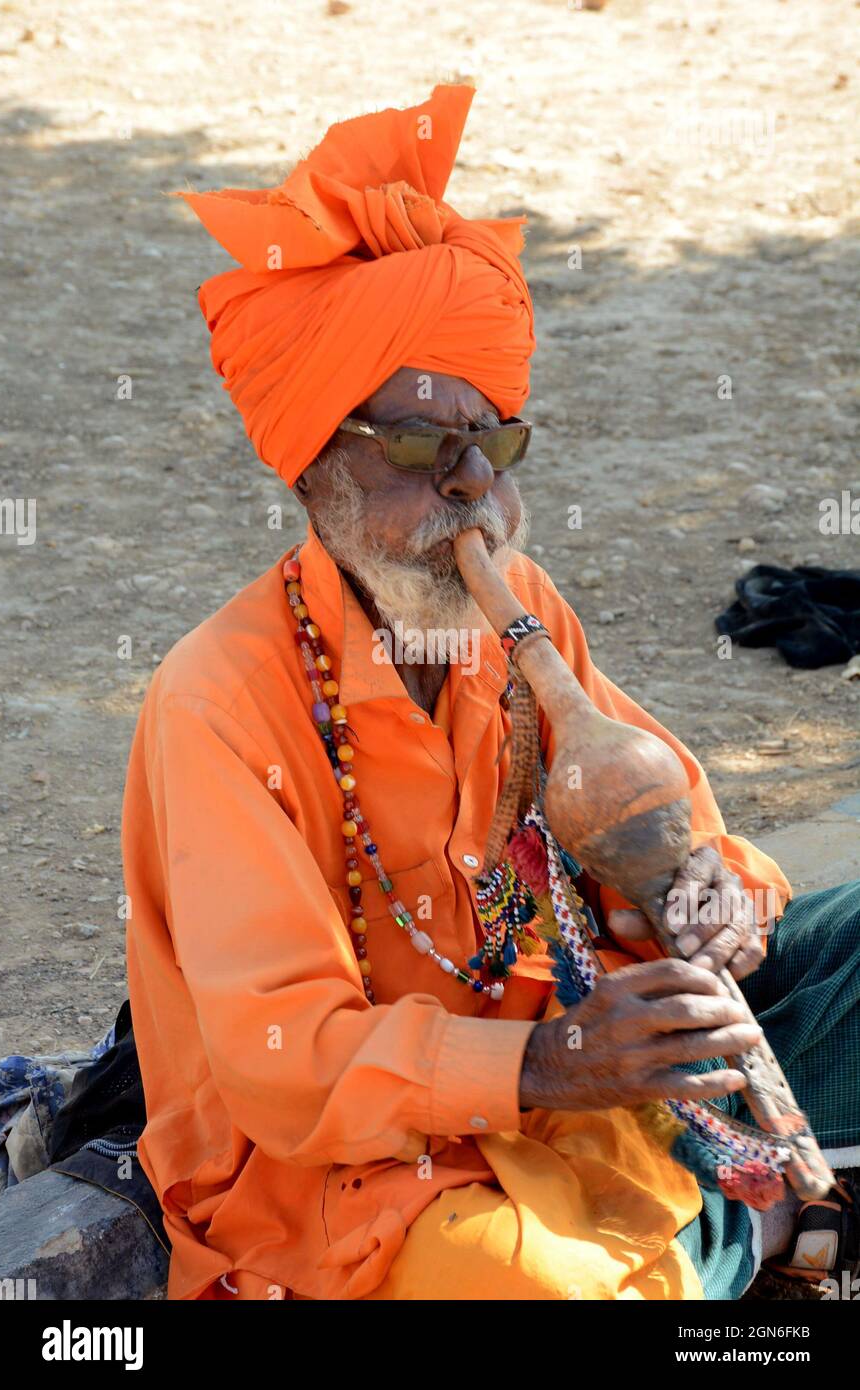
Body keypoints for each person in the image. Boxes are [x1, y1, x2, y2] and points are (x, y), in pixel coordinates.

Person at [123, 85, 859, 1300]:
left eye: (493, 440)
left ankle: (743, 1215)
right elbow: (282, 1058)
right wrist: (550, 1062)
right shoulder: (217, 703)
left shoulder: (517, 619)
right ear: (315, 464)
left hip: (601, 1054)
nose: (471, 486)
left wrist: (711, 896)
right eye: (417, 444)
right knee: (515, 1286)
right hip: (371, 1161)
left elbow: (665, 826)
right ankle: (764, 1226)